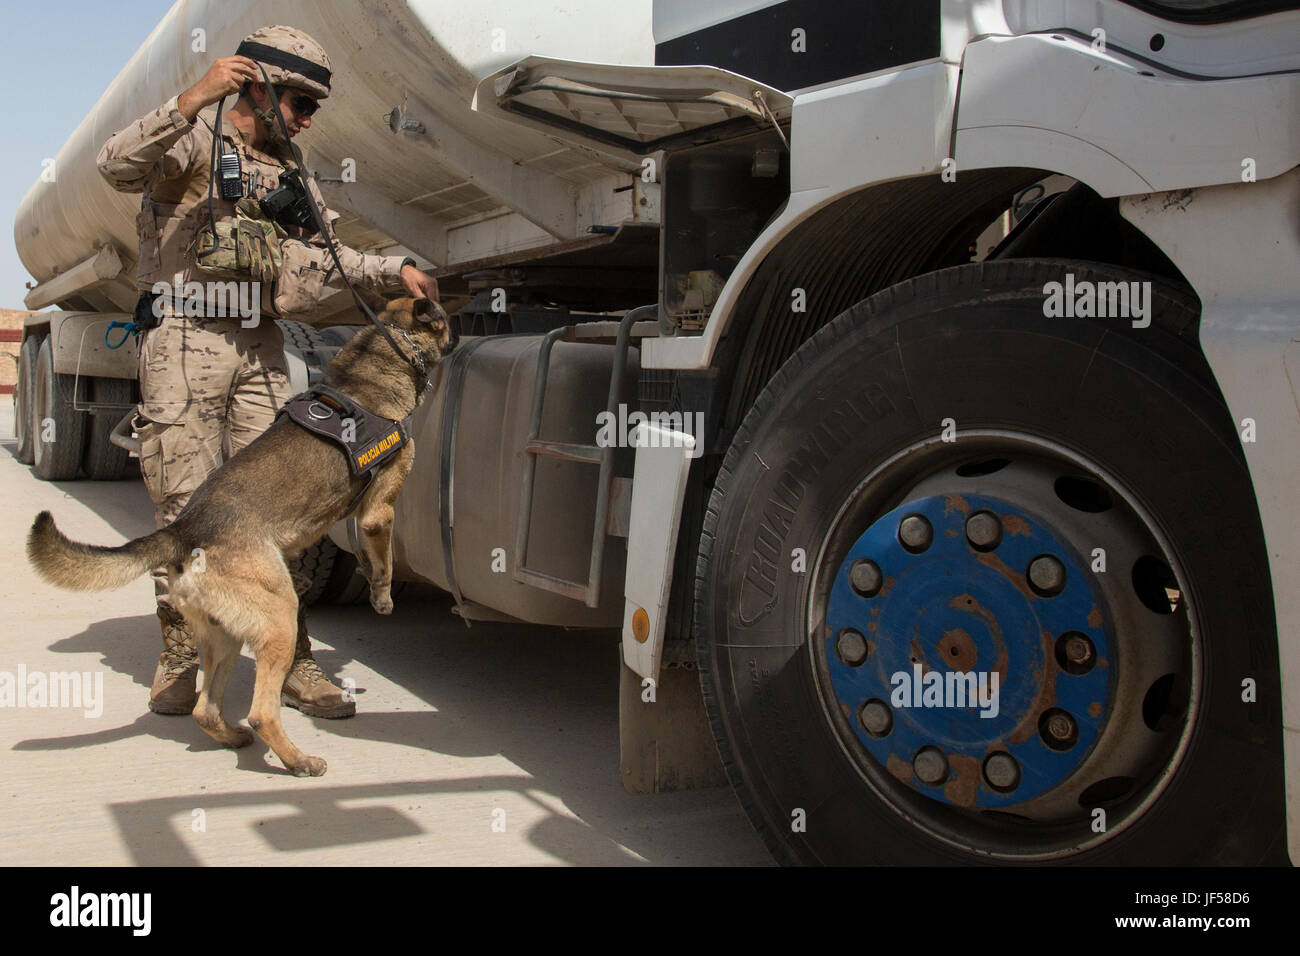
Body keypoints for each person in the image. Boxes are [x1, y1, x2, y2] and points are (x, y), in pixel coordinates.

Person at [96, 25, 439, 718]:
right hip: (185, 337)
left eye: (315, 108)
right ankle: (182, 652)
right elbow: (115, 167)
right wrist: (192, 98)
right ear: (254, 84)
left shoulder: (292, 172)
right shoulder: (191, 139)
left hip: (260, 343)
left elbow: (334, 255)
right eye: (298, 102)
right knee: (185, 506)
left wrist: (394, 269)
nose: (308, 119)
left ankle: (294, 658)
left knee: (283, 506)